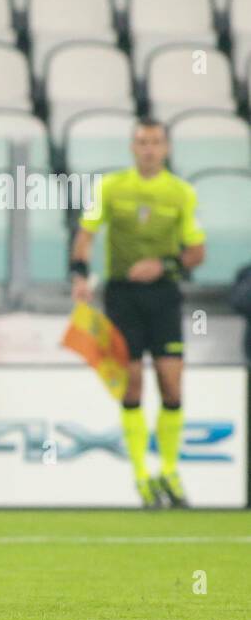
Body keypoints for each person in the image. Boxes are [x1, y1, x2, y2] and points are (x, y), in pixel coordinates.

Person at [70, 119, 206, 508]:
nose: (149, 149)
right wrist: (79, 274)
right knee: (131, 384)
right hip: (122, 296)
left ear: (166, 148)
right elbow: (86, 234)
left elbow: (197, 252)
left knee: (172, 383)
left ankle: (169, 471)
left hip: (163, 295)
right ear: (132, 147)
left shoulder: (181, 193)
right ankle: (142, 477)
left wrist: (163, 264)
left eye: (156, 142)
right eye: (142, 142)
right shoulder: (111, 187)